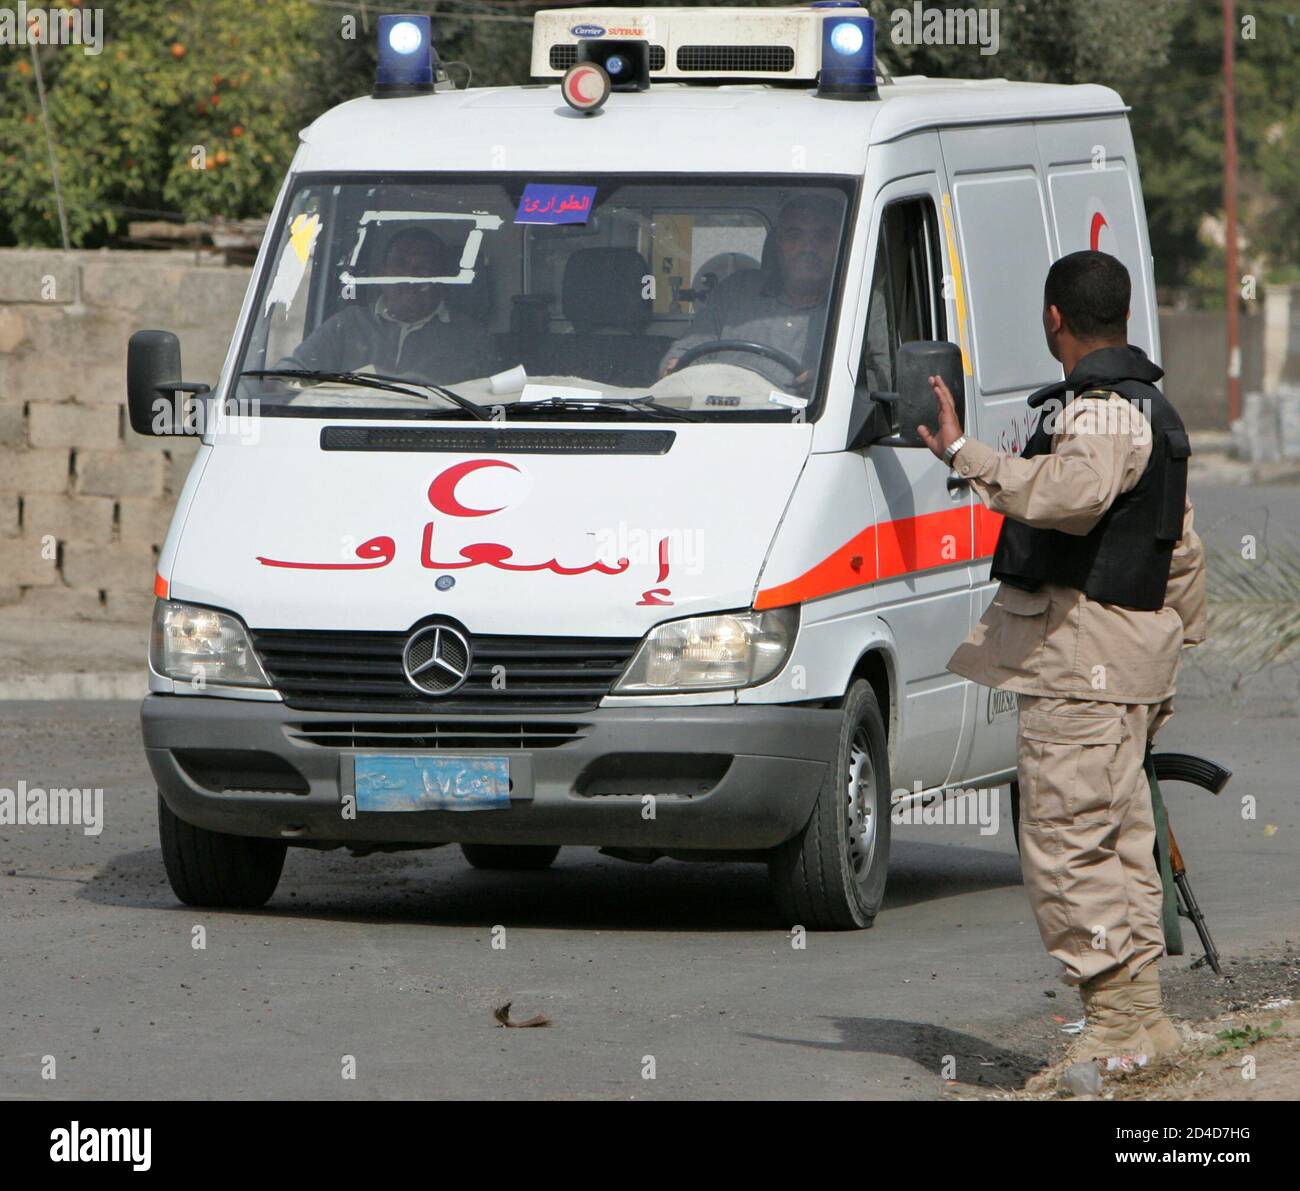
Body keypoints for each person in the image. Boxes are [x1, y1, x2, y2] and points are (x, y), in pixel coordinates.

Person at [918, 250, 1207, 1071]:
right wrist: (1168, 661)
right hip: (1125, 667)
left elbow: (1071, 500)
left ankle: (1116, 1028)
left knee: (1066, 842)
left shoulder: (1103, 413)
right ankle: (1141, 1024)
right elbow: (1184, 553)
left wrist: (965, 453)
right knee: (1117, 842)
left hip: (1086, 668)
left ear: (1055, 321)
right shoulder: (1149, 409)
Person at [659, 194, 842, 391]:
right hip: (719, 416)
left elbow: (874, 379)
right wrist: (676, 367)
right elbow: (683, 353)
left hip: (809, 419)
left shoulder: (856, 303)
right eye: (794, 235)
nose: (808, 248)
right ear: (778, 244)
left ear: (842, 243)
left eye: (823, 237)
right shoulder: (735, 291)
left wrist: (830, 384)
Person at [280, 226, 497, 384]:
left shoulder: (469, 336)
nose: (410, 276)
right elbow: (290, 372)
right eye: (400, 264)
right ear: (382, 273)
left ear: (440, 277)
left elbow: (491, 400)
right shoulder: (347, 325)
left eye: (424, 267)